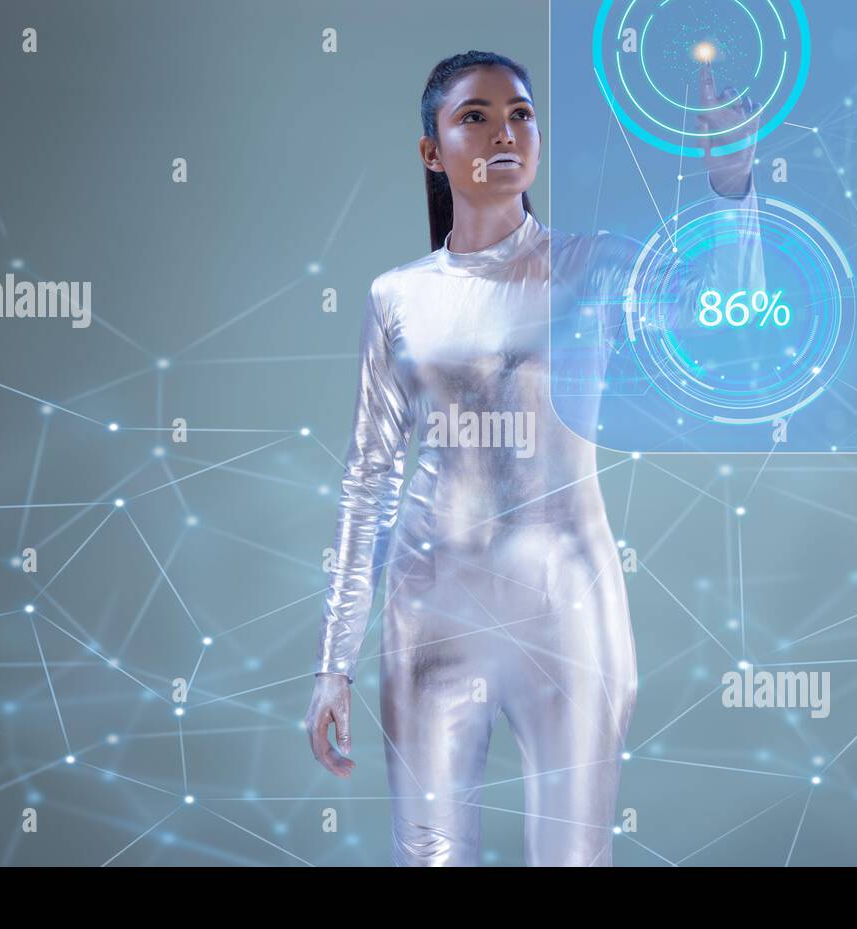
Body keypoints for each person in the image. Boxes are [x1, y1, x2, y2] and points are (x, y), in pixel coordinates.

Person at [304, 49, 762, 866]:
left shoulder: (599, 268)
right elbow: (368, 480)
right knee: (431, 855)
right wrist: (332, 661)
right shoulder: (398, 296)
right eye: (473, 116)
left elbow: (729, 324)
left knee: (574, 857)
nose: (503, 130)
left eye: (520, 113)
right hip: (431, 614)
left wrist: (732, 188)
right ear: (431, 152)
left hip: (566, 608)